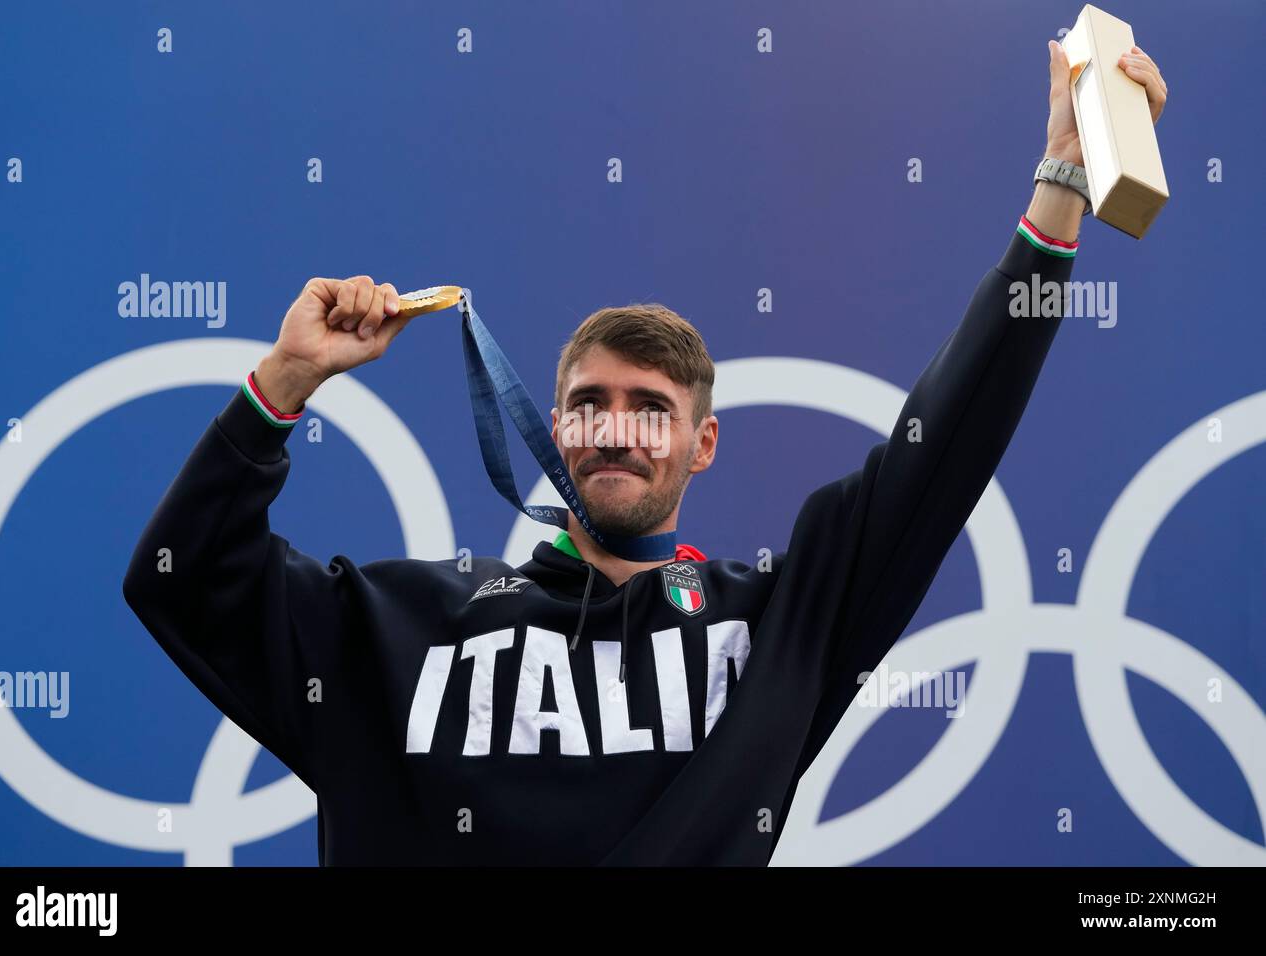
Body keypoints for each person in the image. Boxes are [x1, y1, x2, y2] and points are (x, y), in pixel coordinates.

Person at [123, 41, 1167, 865]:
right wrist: (284, 383)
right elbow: (181, 578)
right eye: (588, 403)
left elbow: (944, 441)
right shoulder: (391, 625)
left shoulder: (778, 624)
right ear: (554, 428)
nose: (616, 426)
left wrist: (1062, 181)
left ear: (702, 442)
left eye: (649, 406)